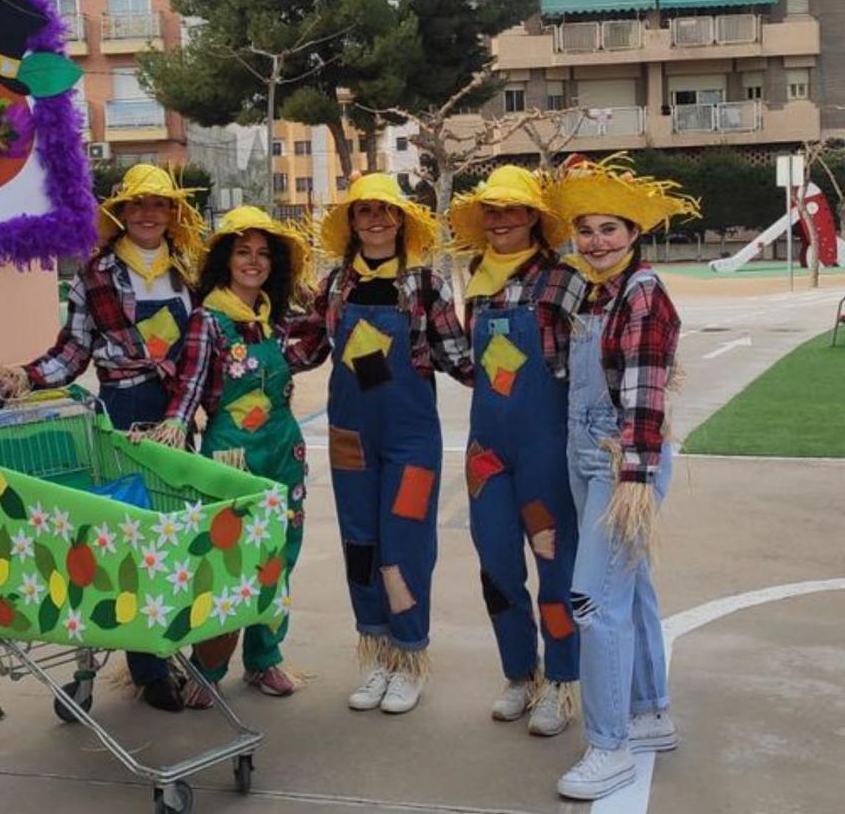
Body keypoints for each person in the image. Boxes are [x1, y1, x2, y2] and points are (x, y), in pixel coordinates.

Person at [0, 163, 204, 712]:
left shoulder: (190, 272)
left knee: (177, 531)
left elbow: (206, 346)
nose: (149, 213)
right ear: (121, 214)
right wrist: (23, 377)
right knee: (131, 539)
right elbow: (72, 352)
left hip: (177, 414)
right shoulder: (95, 275)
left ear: (173, 214)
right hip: (123, 413)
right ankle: (148, 668)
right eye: (138, 204)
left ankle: (174, 644)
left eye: (160, 204)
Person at [285, 173, 472, 714]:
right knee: (361, 544)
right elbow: (308, 346)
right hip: (349, 437)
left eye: (385, 212)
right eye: (364, 211)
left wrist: (522, 382)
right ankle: (379, 654)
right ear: (352, 223)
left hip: (411, 439)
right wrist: (249, 357)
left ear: (401, 221)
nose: (375, 220)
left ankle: (410, 655)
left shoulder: (424, 284)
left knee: (405, 543)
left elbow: (458, 357)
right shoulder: (336, 285)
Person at [546, 155, 698, 800]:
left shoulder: (644, 294)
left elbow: (645, 396)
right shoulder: (597, 289)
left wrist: (633, 478)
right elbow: (555, 308)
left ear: (635, 232)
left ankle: (609, 747)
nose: (597, 242)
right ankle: (650, 711)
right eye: (587, 230)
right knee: (630, 592)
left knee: (593, 601)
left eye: (611, 229)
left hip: (621, 463)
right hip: (589, 456)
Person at [149, 205, 319, 707]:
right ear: (226, 259)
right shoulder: (209, 319)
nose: (254, 262)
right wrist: (175, 426)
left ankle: (265, 659)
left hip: (284, 452)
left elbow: (317, 345)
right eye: (243, 252)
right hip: (230, 458)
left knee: (280, 555)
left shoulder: (278, 319)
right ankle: (208, 667)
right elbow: (191, 383)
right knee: (227, 561)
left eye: (264, 254)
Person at [447, 165, 586, 736]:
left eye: (512, 209)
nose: (500, 220)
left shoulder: (565, 278)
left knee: (555, 565)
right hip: (487, 449)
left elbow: (590, 357)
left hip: (544, 445)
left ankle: (561, 680)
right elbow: (467, 362)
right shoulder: (476, 274)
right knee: (496, 560)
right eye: (492, 211)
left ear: (533, 216)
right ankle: (519, 673)